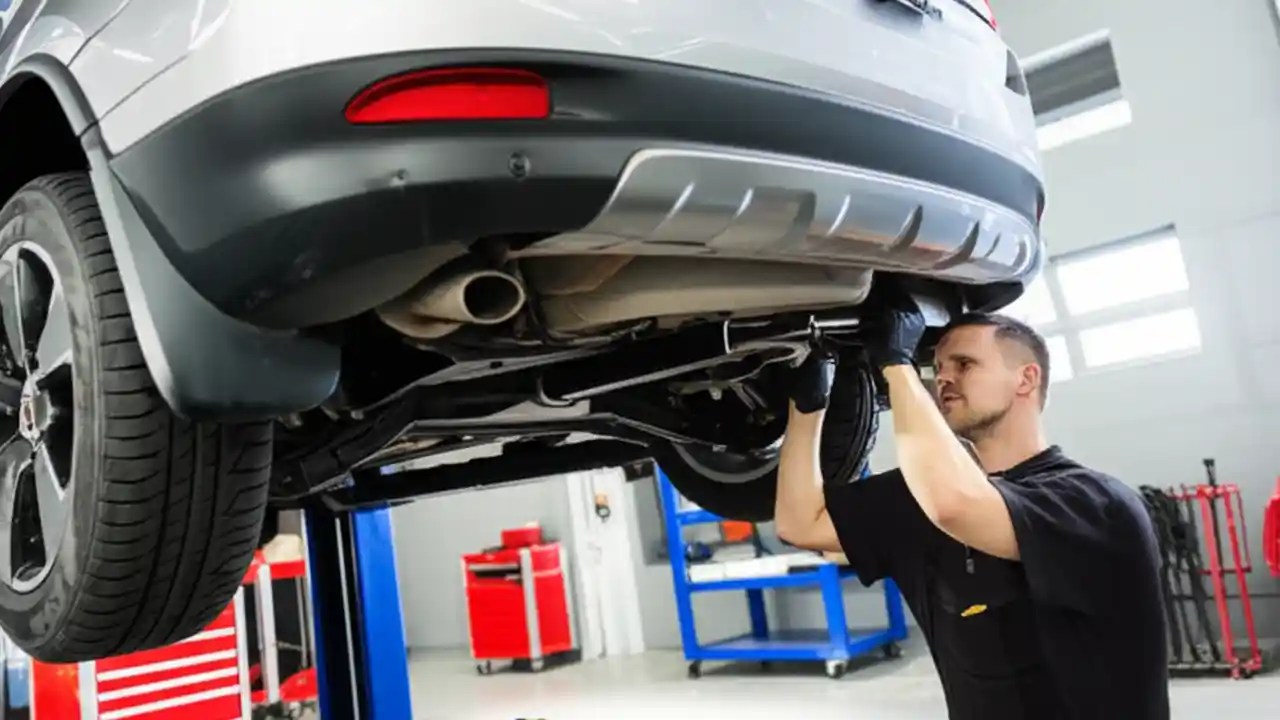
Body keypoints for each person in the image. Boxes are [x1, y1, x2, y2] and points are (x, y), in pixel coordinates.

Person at [774, 295, 1170, 720]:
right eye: (937, 368)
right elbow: (801, 522)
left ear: (1026, 379)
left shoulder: (1096, 504)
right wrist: (808, 406)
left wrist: (896, 364)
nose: (943, 378)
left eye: (964, 364)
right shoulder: (923, 495)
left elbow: (957, 505)